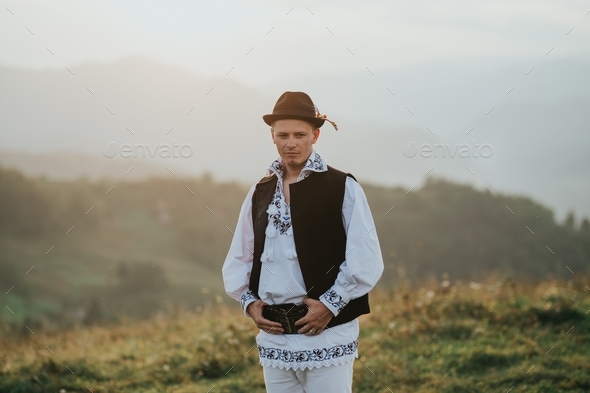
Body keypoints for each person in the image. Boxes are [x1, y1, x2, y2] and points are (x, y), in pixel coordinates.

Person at [222, 91, 384, 393]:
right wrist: (249, 303)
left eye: (299, 134)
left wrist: (329, 306)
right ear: (273, 137)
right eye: (283, 135)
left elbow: (366, 259)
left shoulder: (342, 187)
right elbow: (240, 256)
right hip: (275, 337)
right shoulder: (260, 191)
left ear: (316, 135)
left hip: (327, 331)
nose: (291, 143)